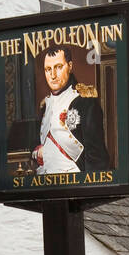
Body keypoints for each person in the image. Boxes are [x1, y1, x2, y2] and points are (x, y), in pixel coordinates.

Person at [32, 45, 110, 175]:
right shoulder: (45, 105)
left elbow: (96, 158)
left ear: (70, 66)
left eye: (58, 67)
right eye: (48, 69)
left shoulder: (85, 101)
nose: (53, 75)